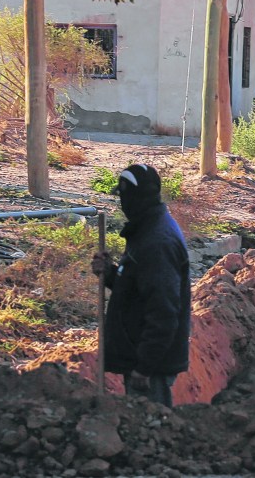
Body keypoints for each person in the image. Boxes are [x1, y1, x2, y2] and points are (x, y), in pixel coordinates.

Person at [91, 164, 191, 407]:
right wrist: (111, 274)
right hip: (142, 357)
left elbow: (164, 312)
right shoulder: (147, 229)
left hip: (149, 368)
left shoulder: (157, 242)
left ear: (133, 198)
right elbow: (139, 289)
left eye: (124, 197)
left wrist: (145, 367)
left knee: (152, 430)